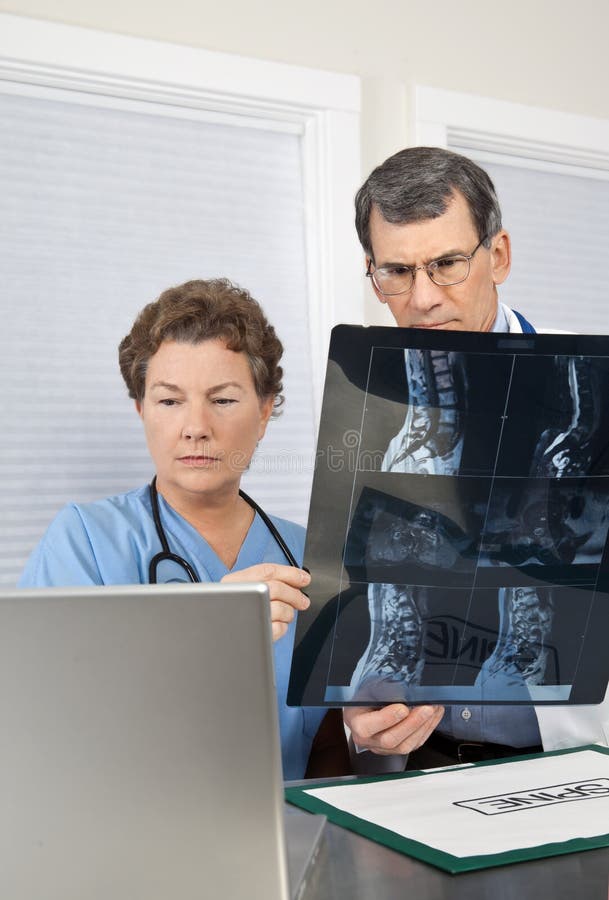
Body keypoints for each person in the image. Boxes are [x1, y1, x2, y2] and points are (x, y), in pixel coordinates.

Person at [344, 146, 609, 769]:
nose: (424, 297)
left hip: (563, 764)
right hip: (418, 769)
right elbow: (353, 613)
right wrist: (359, 715)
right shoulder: (359, 411)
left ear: (499, 256)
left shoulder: (593, 396)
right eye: (397, 272)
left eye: (447, 264)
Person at [19, 278, 326, 780]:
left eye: (223, 400)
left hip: (292, 835)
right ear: (140, 408)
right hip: (135, 843)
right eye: (169, 401)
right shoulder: (85, 544)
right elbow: (45, 733)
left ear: (266, 411)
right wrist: (209, 639)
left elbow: (329, 749)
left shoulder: (308, 556)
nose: (195, 426)